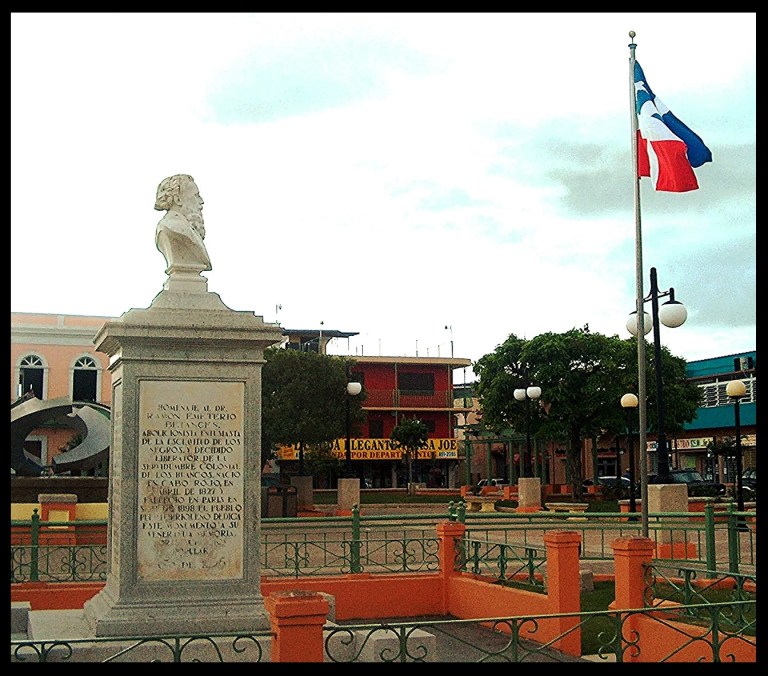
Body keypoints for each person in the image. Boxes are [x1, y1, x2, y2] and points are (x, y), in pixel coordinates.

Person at [154, 174, 212, 275]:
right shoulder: (171, 228)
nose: (201, 202)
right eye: (196, 196)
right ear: (178, 200)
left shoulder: (185, 228)